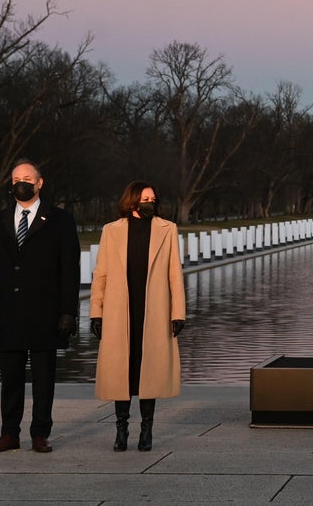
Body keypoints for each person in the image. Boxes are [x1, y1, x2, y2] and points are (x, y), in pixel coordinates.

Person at [0, 157, 80, 453]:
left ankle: (40, 433)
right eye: (15, 180)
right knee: (10, 379)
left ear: (39, 183)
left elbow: (70, 270)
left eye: (26, 178)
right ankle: (9, 433)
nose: (20, 184)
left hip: (46, 312)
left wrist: (69, 311)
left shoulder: (60, 219)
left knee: (44, 379)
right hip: (9, 311)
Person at [89, 181, 187, 452]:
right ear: (132, 201)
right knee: (121, 374)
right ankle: (121, 430)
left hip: (153, 310)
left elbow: (174, 274)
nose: (150, 203)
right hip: (120, 310)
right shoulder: (111, 231)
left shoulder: (167, 229)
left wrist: (178, 312)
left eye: (153, 199)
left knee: (149, 373)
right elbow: (102, 273)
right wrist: (96, 312)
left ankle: (147, 430)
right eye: (145, 198)